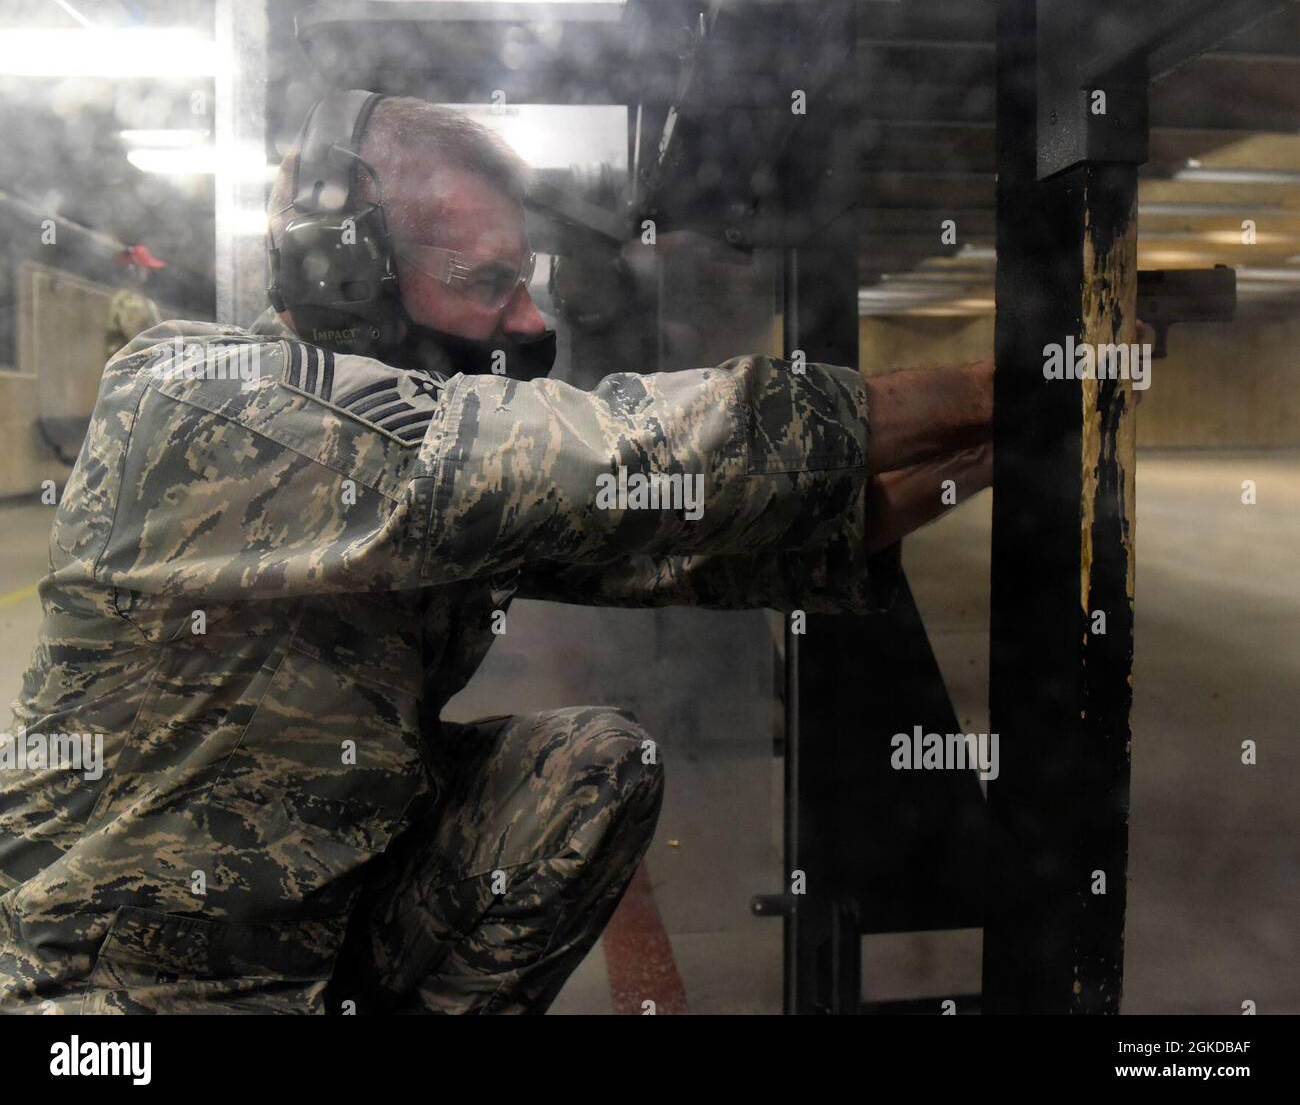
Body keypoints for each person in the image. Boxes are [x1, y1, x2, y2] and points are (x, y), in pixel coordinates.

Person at [0, 94, 992, 1014]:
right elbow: (616, 451)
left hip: (319, 918)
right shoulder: (205, 398)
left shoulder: (418, 483)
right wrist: (1001, 380)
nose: (527, 322)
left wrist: (990, 448)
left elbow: (681, 535)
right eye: (486, 285)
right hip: (110, 981)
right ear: (342, 278)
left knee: (587, 766)